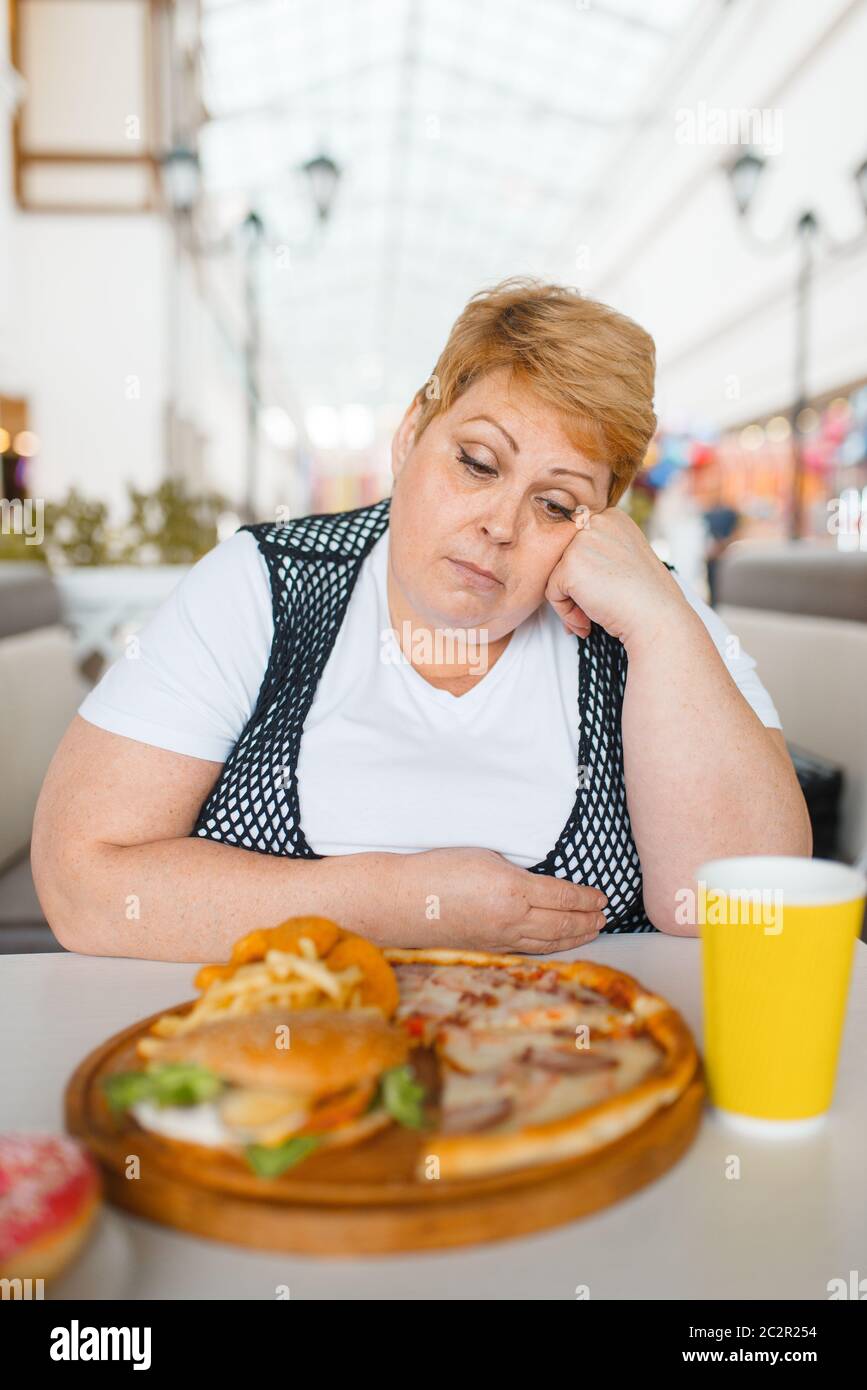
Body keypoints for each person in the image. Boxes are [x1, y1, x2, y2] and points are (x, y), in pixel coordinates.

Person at [31, 278, 811, 961]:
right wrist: (397, 906)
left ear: (603, 523)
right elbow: (82, 886)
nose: (500, 524)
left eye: (555, 503)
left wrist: (662, 627)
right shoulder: (263, 585)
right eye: (477, 462)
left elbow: (748, 908)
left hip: (572, 1068)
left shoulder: (650, 613)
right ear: (410, 435)